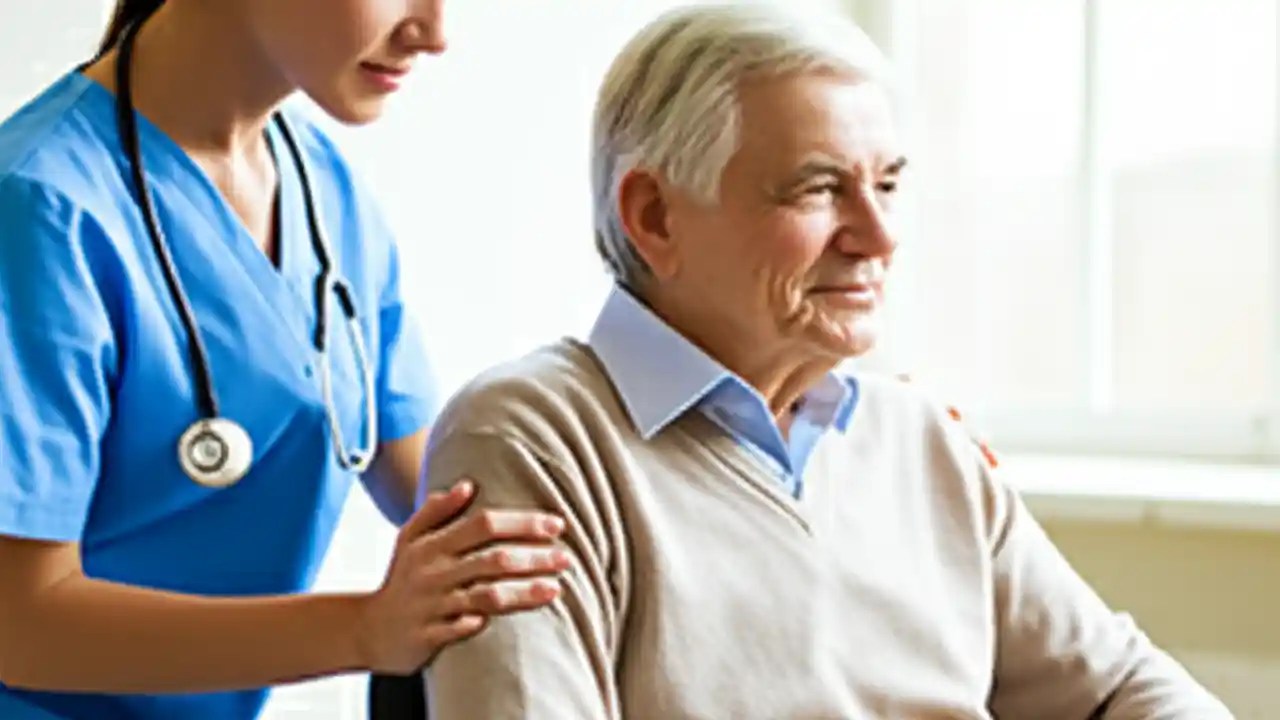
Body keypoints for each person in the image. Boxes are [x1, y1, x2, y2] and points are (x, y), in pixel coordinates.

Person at [417, 3, 1235, 718]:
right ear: (655, 216)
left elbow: (1116, 688)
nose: (879, 237)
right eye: (816, 189)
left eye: (886, 185)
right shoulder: (531, 440)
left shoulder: (919, 438)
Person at [0, 1, 574, 718]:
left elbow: (435, 486)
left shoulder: (322, 185)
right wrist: (365, 629)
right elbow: (19, 625)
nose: (433, 32)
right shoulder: (39, 209)